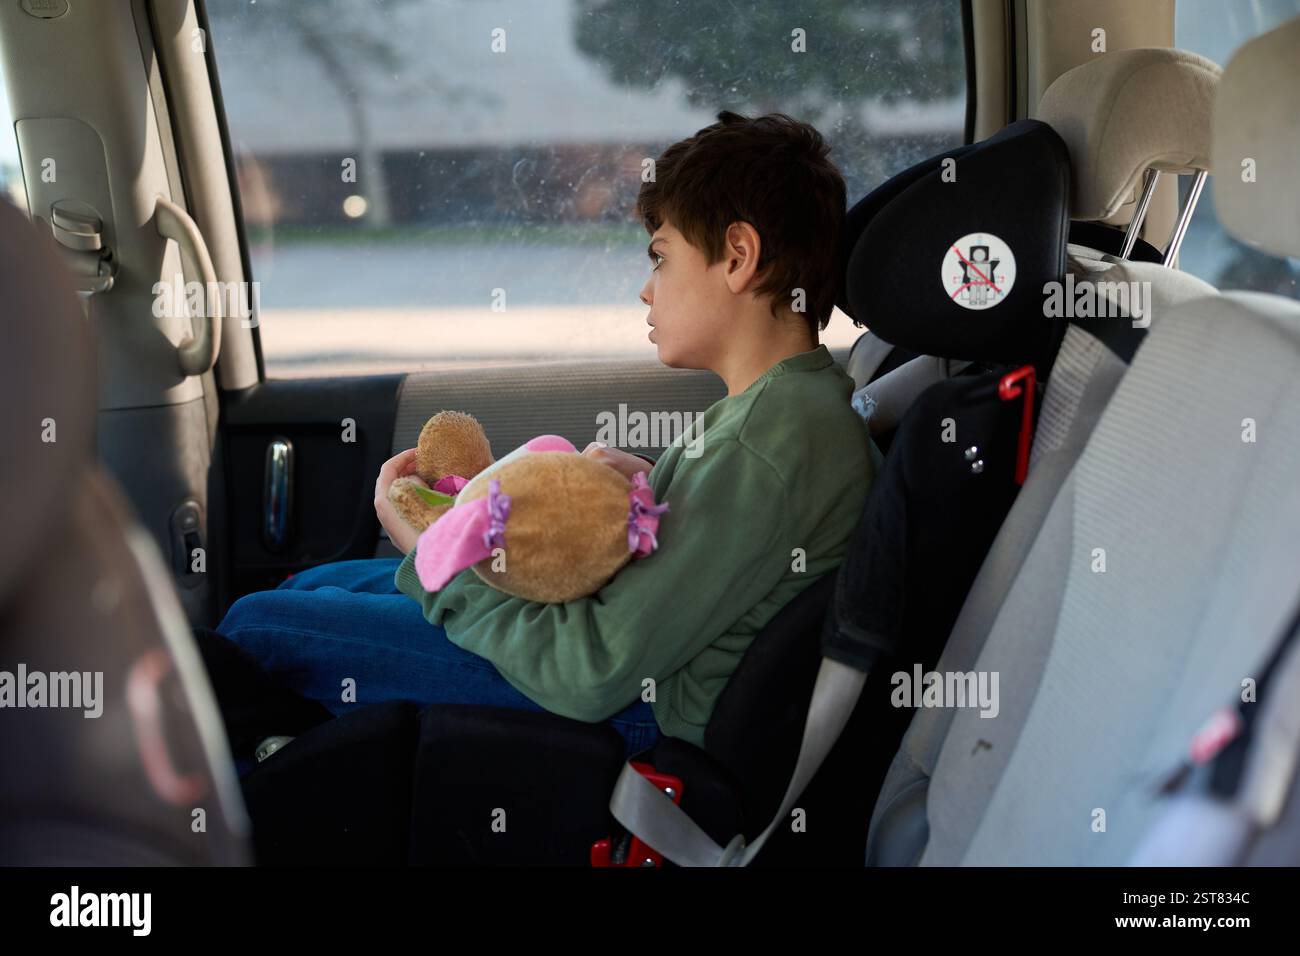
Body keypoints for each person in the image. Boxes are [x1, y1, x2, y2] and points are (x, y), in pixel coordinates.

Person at [217, 110, 875, 759]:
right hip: (635, 667)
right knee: (308, 589)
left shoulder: (764, 442)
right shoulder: (781, 410)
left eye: (661, 257)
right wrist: (648, 487)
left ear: (738, 256)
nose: (647, 291)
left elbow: (588, 672)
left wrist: (437, 558)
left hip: (640, 710)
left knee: (258, 627)